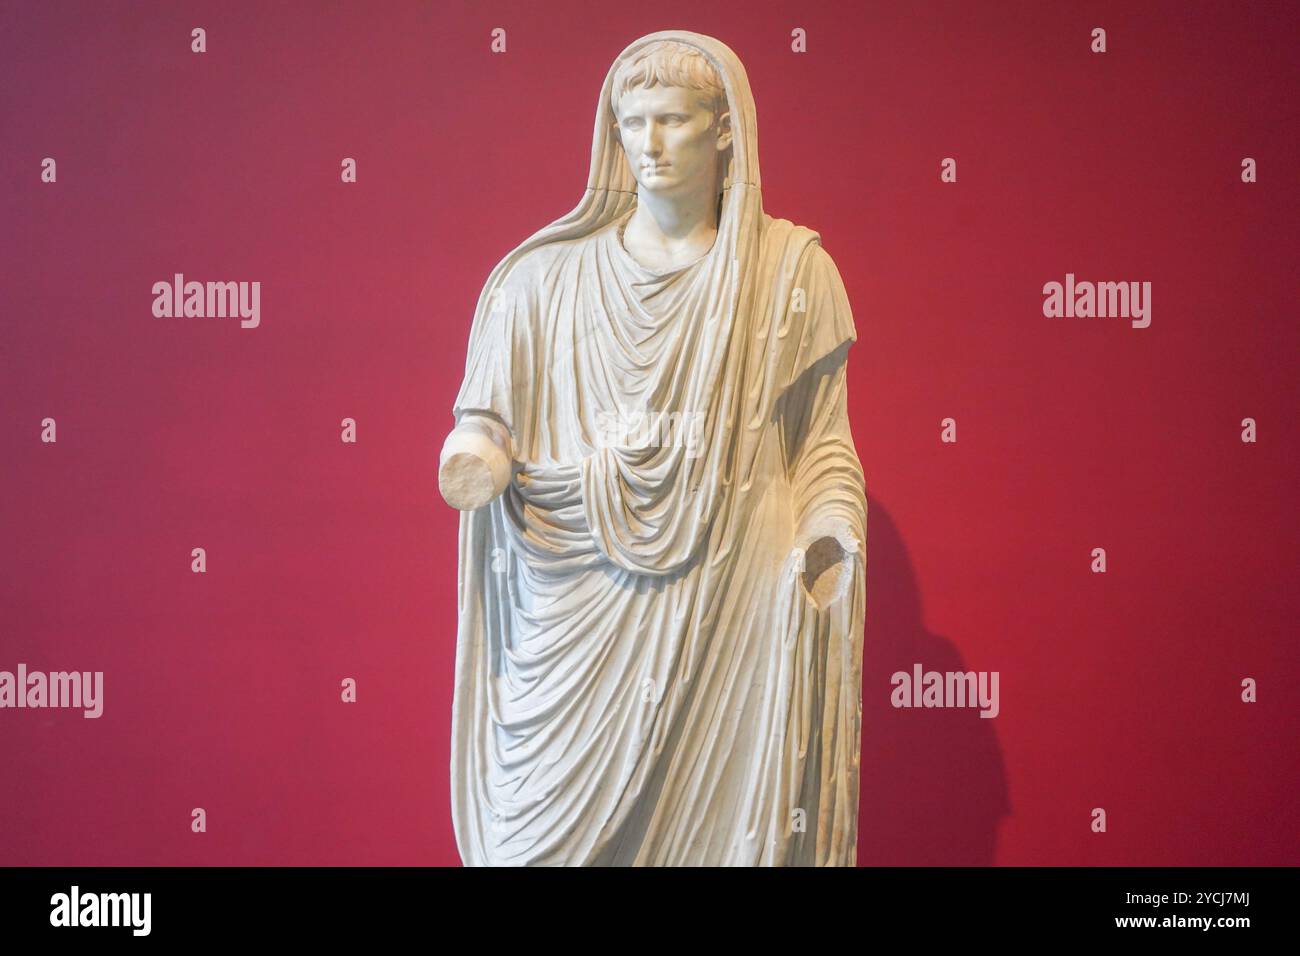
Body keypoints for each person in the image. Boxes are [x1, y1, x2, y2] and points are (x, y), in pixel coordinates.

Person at [439, 30, 867, 866]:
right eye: (632, 123)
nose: (650, 144)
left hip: (735, 592)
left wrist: (829, 532)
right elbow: (484, 423)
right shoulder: (538, 282)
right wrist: (476, 452)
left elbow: (822, 446)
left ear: (725, 130)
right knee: (531, 842)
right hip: (573, 592)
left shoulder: (791, 275)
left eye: (672, 119)